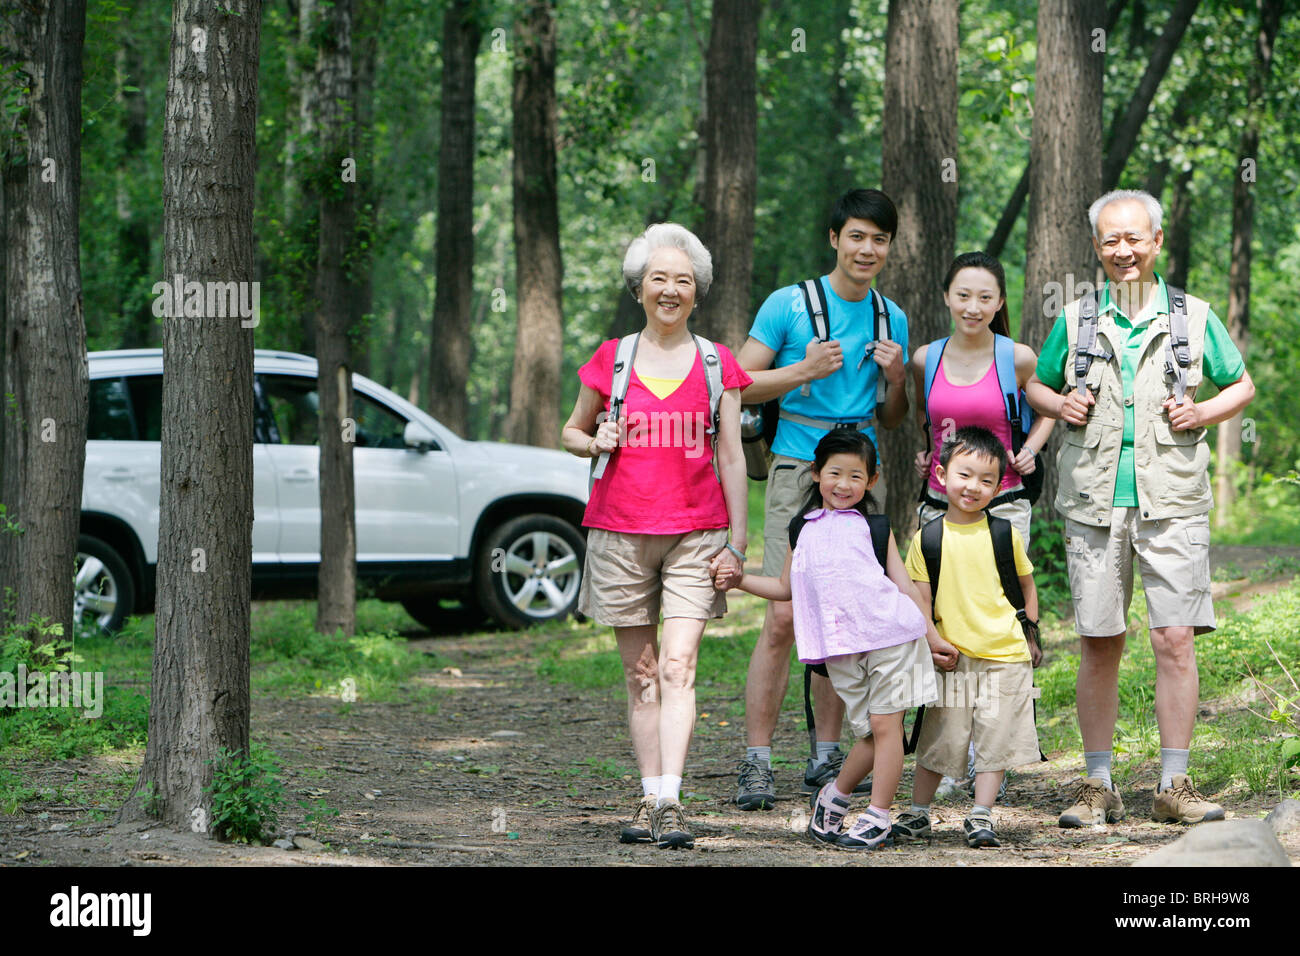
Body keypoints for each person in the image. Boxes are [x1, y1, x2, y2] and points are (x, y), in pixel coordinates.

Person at [1025, 189, 1255, 828]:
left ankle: (1174, 784)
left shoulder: (1192, 316)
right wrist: (1058, 403)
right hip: (1093, 502)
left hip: (1173, 500)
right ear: (1097, 248)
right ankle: (1097, 785)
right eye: (1109, 241)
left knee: (1174, 638)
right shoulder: (1075, 318)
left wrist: (1203, 410)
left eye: (1134, 239)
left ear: (1156, 242)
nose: (1122, 251)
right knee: (1100, 640)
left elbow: (1242, 382)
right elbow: (1037, 382)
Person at [561, 223, 751, 849]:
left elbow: (731, 457)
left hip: (698, 533)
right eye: (659, 280)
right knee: (642, 672)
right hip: (619, 529)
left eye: (684, 281)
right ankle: (647, 799)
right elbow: (571, 431)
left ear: (697, 293)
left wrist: (737, 541)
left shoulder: (718, 362)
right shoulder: (612, 358)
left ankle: (670, 801)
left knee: (679, 664)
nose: (670, 290)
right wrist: (596, 441)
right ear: (639, 288)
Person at [726, 188, 911, 810]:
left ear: (889, 247)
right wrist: (803, 372)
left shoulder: (893, 316)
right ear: (835, 238)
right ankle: (757, 760)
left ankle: (826, 754)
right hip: (798, 468)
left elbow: (893, 416)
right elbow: (737, 386)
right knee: (782, 615)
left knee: (848, 614)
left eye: (879, 239)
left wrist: (895, 379)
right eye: (856, 236)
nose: (867, 249)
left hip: (864, 473)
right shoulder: (789, 304)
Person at [713, 429, 954, 849]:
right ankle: (835, 796)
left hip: (892, 638)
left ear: (872, 480)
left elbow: (906, 587)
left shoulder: (876, 528)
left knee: (885, 726)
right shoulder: (800, 529)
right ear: (815, 474)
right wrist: (740, 582)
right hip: (843, 651)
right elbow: (786, 588)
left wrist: (931, 636)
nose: (844, 485)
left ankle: (878, 815)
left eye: (856, 476)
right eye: (835, 473)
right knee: (869, 734)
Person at [895, 426, 1043, 848]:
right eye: (964, 474)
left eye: (986, 480)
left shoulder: (1003, 534)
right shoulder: (927, 538)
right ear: (941, 475)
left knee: (994, 740)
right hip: (952, 658)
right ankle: (919, 813)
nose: (973, 487)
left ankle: (981, 816)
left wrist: (1030, 634)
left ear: (998, 487)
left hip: (1005, 655)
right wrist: (932, 642)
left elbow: (1026, 586)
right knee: (941, 735)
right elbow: (920, 601)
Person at [912, 251, 1055, 547]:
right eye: (963, 295)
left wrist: (1030, 449)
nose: (973, 308)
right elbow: (925, 416)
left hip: (1004, 503)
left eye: (985, 298)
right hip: (940, 502)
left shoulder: (1017, 357)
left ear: (1000, 301)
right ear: (947, 297)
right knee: (940, 592)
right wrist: (927, 452)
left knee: (1001, 592)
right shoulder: (926, 359)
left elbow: (1050, 407)